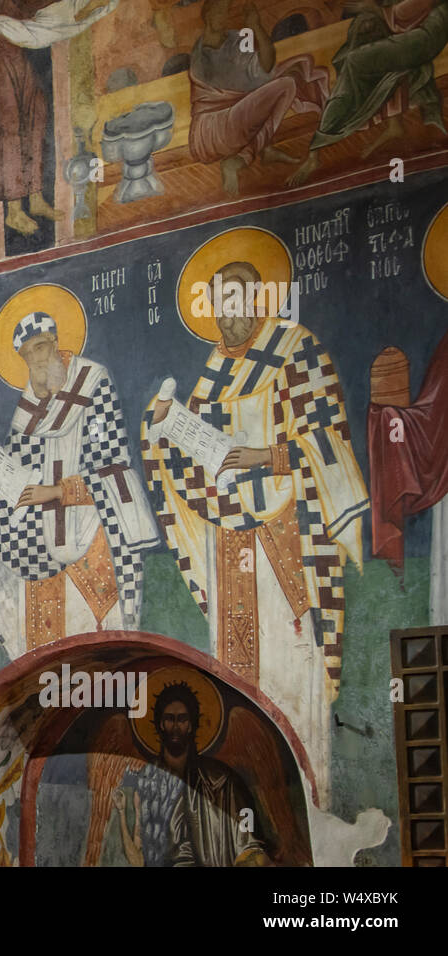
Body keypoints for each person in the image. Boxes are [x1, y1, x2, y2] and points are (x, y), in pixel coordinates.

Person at [141, 260, 369, 809]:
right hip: (232, 552)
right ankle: (248, 811)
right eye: (219, 305)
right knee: (240, 680)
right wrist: (164, 427)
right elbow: (195, 462)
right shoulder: (214, 370)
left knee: (295, 665)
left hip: (287, 540)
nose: (228, 315)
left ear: (259, 300)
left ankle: (311, 804)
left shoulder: (296, 350)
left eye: (237, 301)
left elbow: (328, 442)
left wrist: (267, 456)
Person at [0, 311, 158, 658]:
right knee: (48, 657)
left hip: (94, 535)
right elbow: (13, 474)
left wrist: (60, 491)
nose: (38, 359)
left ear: (57, 343)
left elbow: (116, 466)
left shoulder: (93, 383)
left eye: (41, 347)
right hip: (39, 544)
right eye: (28, 354)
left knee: (100, 649)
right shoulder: (29, 406)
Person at [0, 0, 114, 236]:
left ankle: (35, 198)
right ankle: (14, 212)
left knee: (36, 114)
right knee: (8, 126)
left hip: (14, 49)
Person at [287, 0, 448, 186]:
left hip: (426, 34)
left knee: (355, 61)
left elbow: (408, 11)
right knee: (364, 28)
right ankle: (394, 125)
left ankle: (319, 146)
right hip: (415, 22)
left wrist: (374, 9)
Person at [116, 682, 269, 866]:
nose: (175, 726)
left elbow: (248, 843)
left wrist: (251, 857)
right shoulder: (147, 780)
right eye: (169, 719)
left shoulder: (220, 780)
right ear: (160, 724)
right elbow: (139, 844)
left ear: (191, 725)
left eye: (182, 719)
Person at [188, 0, 328, 196]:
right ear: (207, 15)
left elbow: (265, 66)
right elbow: (244, 84)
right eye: (217, 11)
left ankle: (260, 151)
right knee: (286, 84)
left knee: (295, 74)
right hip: (213, 130)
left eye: (225, 11)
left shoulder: (235, 40)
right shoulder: (202, 54)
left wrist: (256, 26)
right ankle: (244, 157)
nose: (222, 16)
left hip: (235, 121)